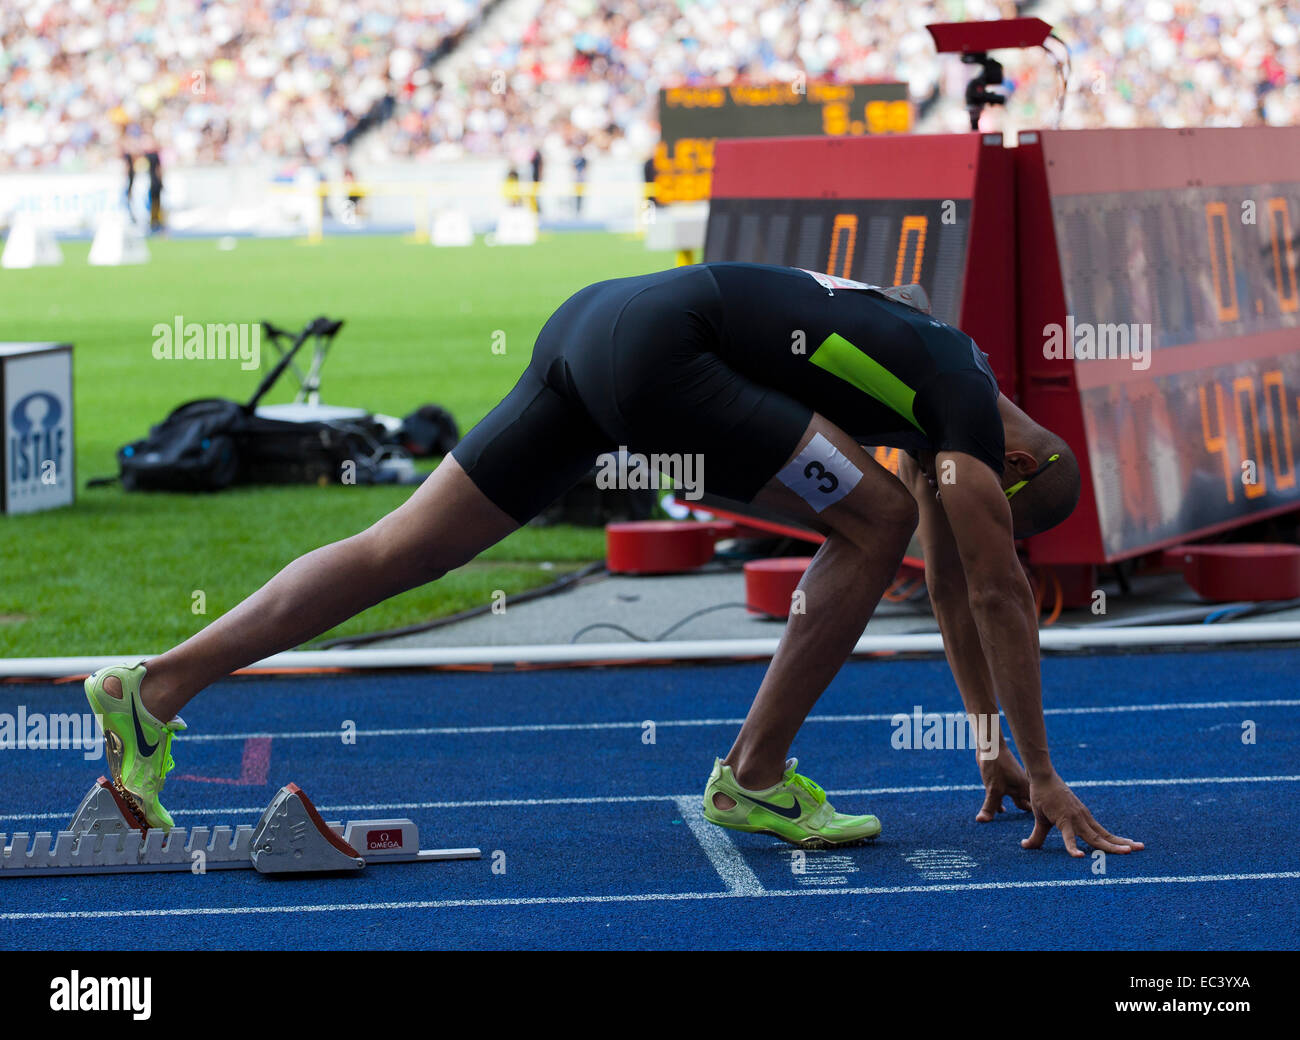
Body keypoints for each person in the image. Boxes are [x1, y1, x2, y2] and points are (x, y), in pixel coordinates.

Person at [85, 263, 1143, 858]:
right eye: (994, 505)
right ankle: (755, 776)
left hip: (594, 322)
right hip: (661, 352)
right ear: (1017, 457)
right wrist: (1046, 771)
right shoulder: (959, 387)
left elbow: (958, 588)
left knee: (400, 546)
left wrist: (983, 741)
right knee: (871, 522)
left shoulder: (934, 415)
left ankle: (157, 685)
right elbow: (993, 584)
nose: (971, 519)